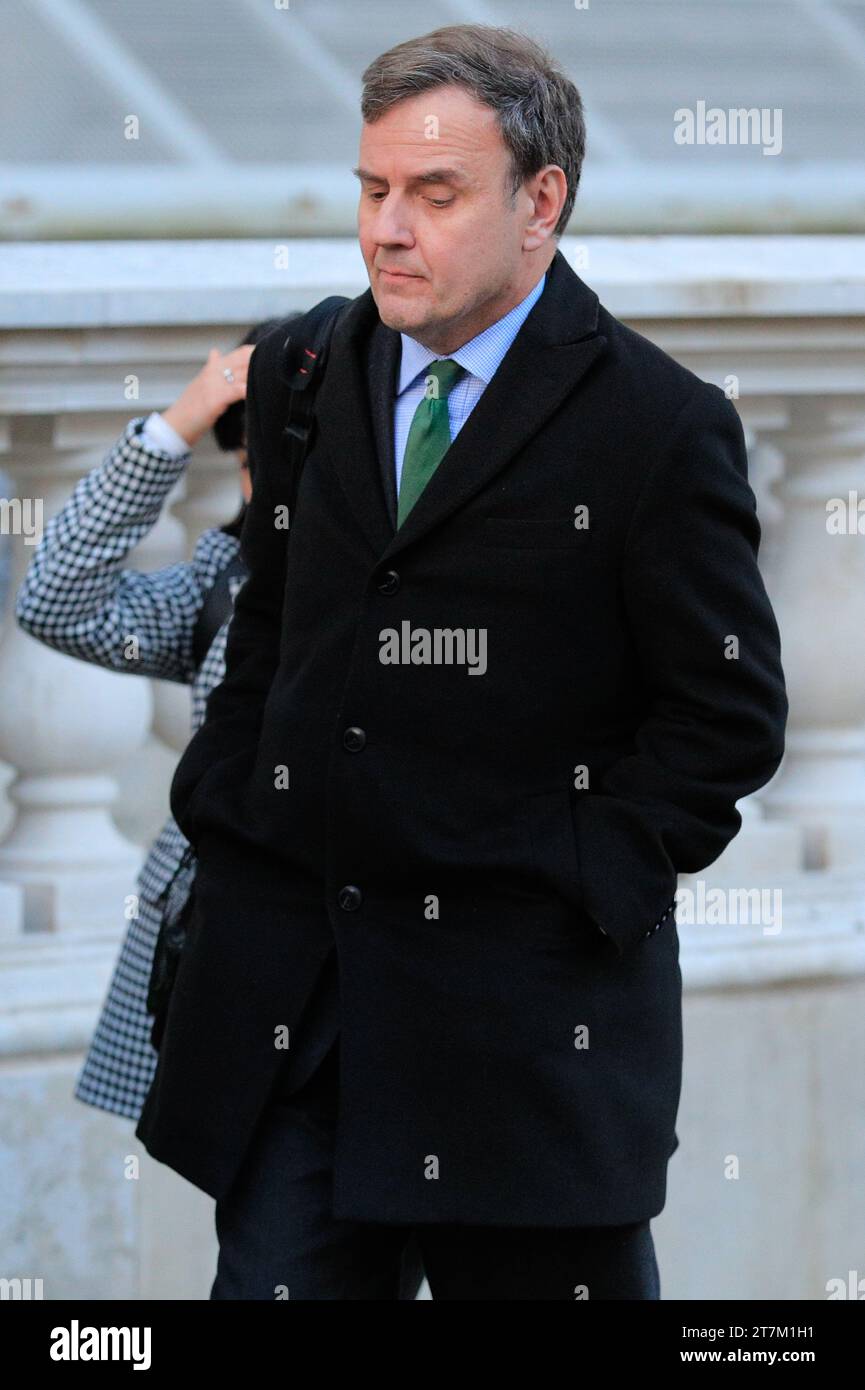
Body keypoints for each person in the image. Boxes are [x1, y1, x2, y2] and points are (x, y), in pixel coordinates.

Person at [136, 23, 788, 1301]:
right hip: (300, 1034)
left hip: (529, 1051)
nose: (388, 228)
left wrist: (563, 867)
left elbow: (725, 720)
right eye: (373, 190)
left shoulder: (656, 427)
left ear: (540, 201)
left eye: (434, 195)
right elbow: (271, 623)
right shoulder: (306, 370)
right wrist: (227, 805)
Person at [14, 320, 272, 1122]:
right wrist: (174, 425)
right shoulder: (224, 582)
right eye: (251, 455)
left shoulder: (436, 595)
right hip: (233, 976)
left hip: (392, 992)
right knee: (268, 1239)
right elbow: (57, 599)